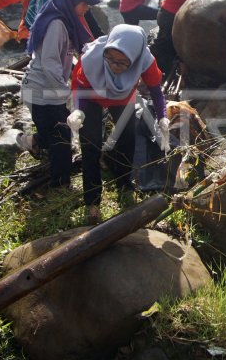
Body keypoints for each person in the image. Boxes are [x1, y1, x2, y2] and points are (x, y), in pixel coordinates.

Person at [71, 25, 167, 222]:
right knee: (90, 145)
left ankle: (124, 183)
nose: (115, 66)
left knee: (127, 138)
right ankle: (92, 201)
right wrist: (78, 110)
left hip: (124, 98)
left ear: (135, 58)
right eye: (111, 59)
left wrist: (162, 117)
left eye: (123, 63)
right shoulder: (92, 58)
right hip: (91, 98)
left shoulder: (145, 60)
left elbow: (156, 91)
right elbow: (79, 87)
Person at [20, 0, 101, 186]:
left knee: (60, 135)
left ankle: (33, 141)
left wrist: (80, 73)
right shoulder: (57, 23)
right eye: (85, 3)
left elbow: (65, 57)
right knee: (61, 142)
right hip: (41, 92)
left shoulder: (64, 19)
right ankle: (60, 188)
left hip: (49, 91)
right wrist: (66, 92)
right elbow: (49, 62)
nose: (87, 8)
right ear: (72, 1)